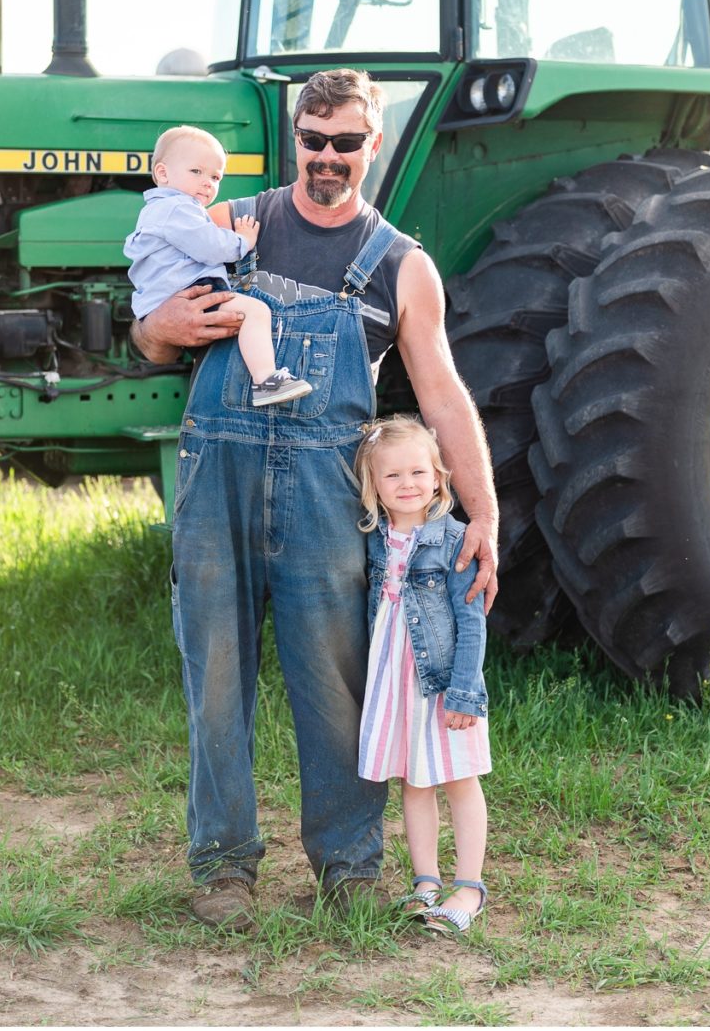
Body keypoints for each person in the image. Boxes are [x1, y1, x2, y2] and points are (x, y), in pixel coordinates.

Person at [131, 69, 501, 932]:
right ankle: (224, 866)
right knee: (214, 674)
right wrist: (157, 330)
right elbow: (150, 317)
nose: (327, 157)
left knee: (336, 678)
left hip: (328, 489)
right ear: (295, 137)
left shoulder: (401, 265)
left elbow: (443, 396)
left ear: (374, 143)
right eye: (313, 140)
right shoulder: (232, 221)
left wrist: (482, 512)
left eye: (346, 143)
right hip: (218, 478)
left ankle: (347, 865)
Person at [354, 415, 492, 936]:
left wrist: (464, 692)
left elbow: (471, 622)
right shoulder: (375, 539)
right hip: (396, 682)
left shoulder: (454, 540)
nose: (407, 484)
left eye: (418, 472)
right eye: (392, 475)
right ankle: (425, 883)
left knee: (459, 779)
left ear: (438, 477)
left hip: (441, 681)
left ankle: (469, 887)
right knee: (414, 781)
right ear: (374, 486)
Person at [124, 125, 312, 408]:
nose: (207, 183)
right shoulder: (177, 209)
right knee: (255, 312)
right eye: (196, 172)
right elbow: (210, 246)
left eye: (215, 177)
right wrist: (243, 241)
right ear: (162, 173)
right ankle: (265, 380)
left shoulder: (159, 209)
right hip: (190, 294)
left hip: (169, 296)